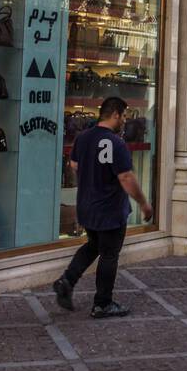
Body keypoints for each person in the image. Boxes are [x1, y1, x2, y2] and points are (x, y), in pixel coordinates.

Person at [53, 96, 154, 317]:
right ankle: (102, 303)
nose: (125, 121)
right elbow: (126, 177)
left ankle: (67, 280)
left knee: (93, 245)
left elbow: (73, 166)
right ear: (115, 114)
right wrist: (144, 204)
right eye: (124, 116)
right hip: (110, 209)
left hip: (87, 206)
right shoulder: (116, 143)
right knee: (109, 254)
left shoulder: (82, 138)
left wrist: (90, 180)